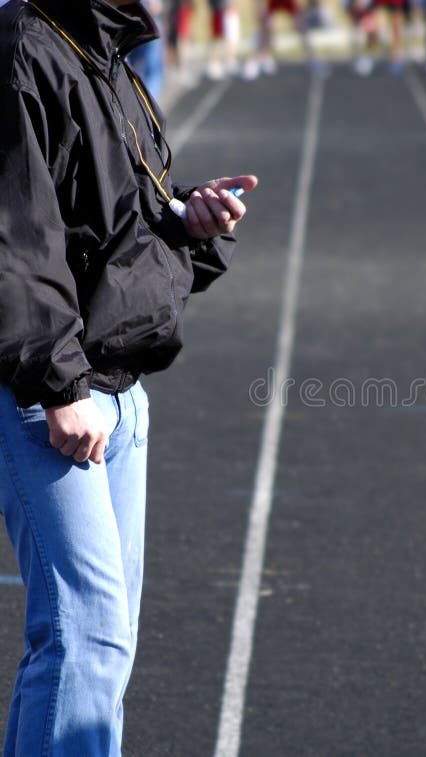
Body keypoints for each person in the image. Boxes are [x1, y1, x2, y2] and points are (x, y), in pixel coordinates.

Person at [0, 0, 257, 754]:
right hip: (54, 389)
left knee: (95, 647)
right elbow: (17, 237)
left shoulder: (104, 54)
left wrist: (188, 226)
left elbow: (106, 230)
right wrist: (60, 386)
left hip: (113, 384)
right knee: (87, 638)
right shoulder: (27, 47)